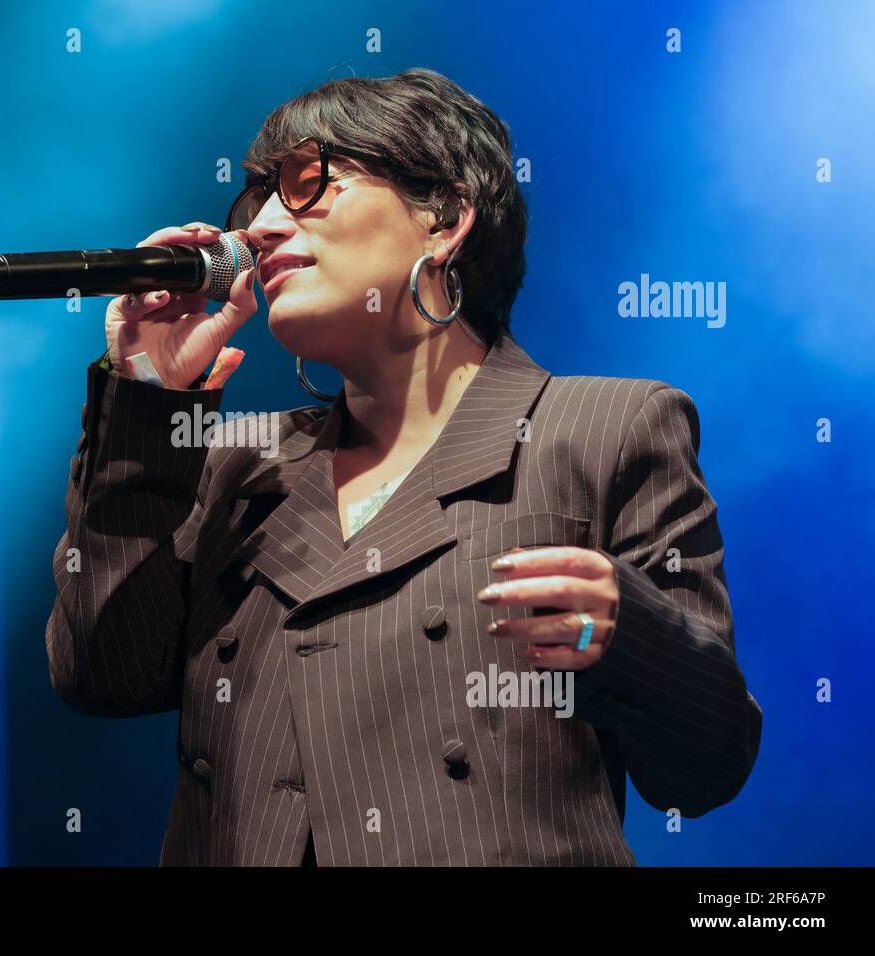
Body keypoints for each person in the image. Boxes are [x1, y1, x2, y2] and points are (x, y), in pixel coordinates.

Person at [46, 67, 762, 866]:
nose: (262, 231)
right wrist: (147, 399)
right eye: (256, 205)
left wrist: (631, 633)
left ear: (446, 217)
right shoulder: (238, 461)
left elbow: (706, 768)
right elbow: (102, 675)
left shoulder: (601, 429)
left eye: (307, 185)